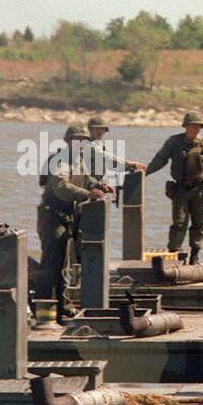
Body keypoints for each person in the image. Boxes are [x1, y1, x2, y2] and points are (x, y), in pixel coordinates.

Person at [35, 123, 115, 318]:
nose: (80, 144)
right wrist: (88, 194)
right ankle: (44, 314)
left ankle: (61, 307)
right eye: (76, 140)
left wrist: (99, 186)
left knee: (63, 265)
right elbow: (61, 187)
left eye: (83, 141)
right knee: (51, 266)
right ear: (68, 141)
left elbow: (85, 179)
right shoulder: (61, 161)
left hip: (67, 218)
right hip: (54, 217)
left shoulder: (77, 160)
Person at [144, 111, 203, 263]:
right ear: (185, 126)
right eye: (192, 126)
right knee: (178, 222)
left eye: (198, 126)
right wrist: (145, 172)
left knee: (198, 223)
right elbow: (161, 159)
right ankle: (174, 253)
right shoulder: (173, 142)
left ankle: (195, 254)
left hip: (200, 190)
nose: (195, 129)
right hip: (180, 190)